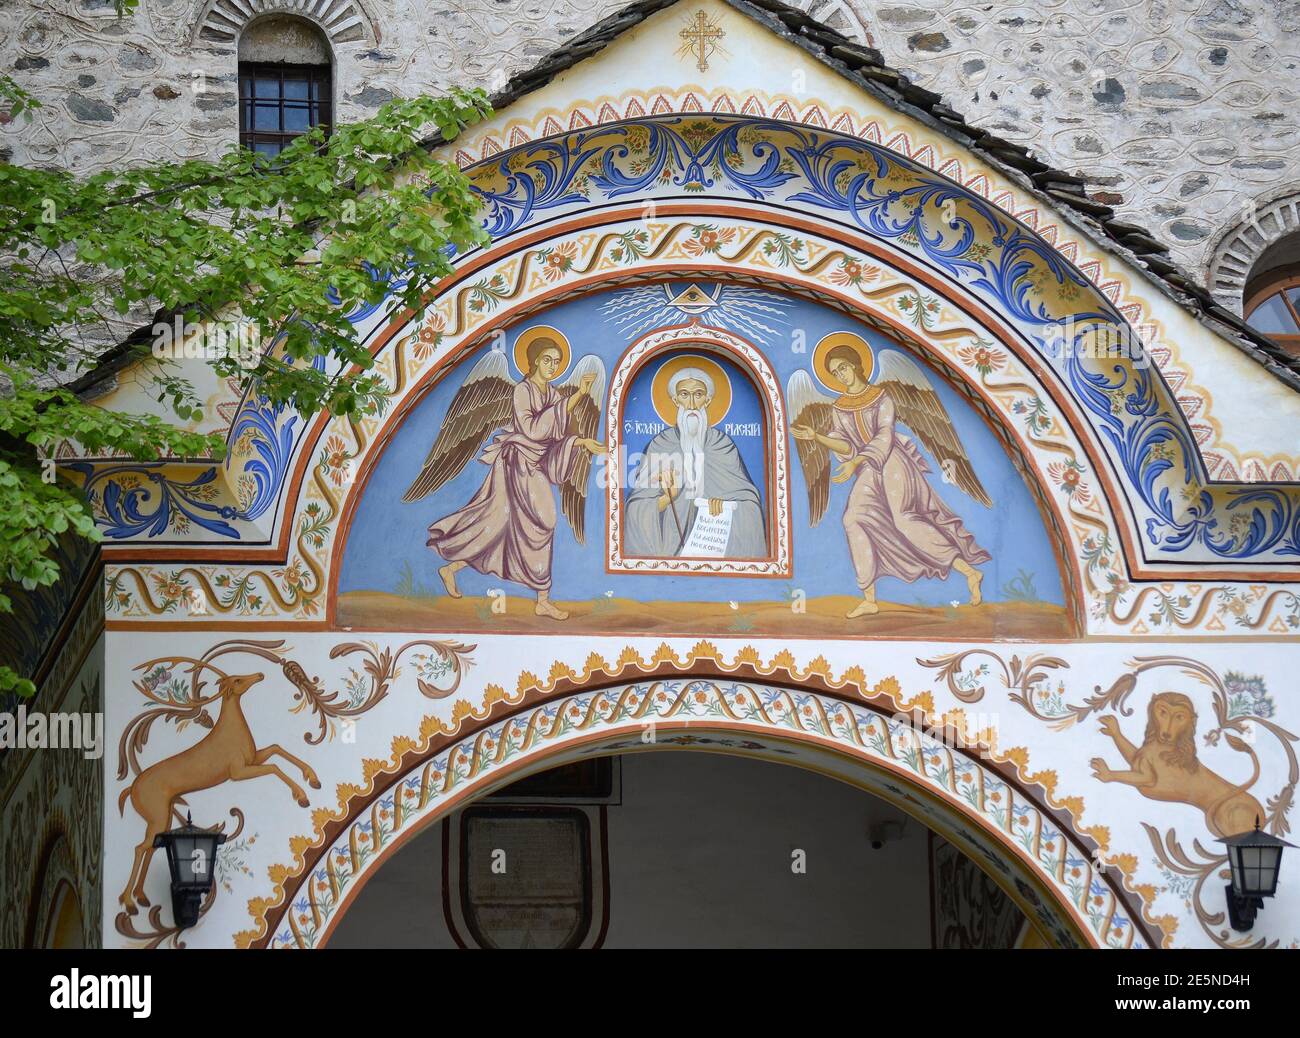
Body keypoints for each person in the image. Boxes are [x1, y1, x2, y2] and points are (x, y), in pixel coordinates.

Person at [790, 345, 989, 617]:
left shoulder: (882, 397)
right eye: (836, 373)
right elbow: (845, 445)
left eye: (844, 368)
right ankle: (869, 598)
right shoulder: (838, 407)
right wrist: (817, 437)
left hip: (893, 461)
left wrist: (855, 462)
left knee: (904, 519)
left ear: (857, 365)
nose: (841, 375)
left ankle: (969, 572)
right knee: (853, 518)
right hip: (866, 466)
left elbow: (885, 436)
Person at [429, 338, 604, 620]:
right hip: (517, 462)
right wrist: (579, 395)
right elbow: (533, 430)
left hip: (535, 463)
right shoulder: (522, 390)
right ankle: (542, 599)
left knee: (498, 524)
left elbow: (558, 436)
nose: (553, 366)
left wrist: (581, 442)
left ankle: (455, 570)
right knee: (543, 519)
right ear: (534, 361)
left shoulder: (554, 394)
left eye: (557, 362)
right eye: (547, 360)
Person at [625, 366, 767, 558]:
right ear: (675, 400)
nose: (691, 404)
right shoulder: (660, 445)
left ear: (707, 400)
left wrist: (726, 507)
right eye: (684, 395)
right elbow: (636, 509)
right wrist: (666, 499)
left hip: (714, 545)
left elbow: (749, 503)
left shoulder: (722, 444)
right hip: (668, 550)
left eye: (698, 394)